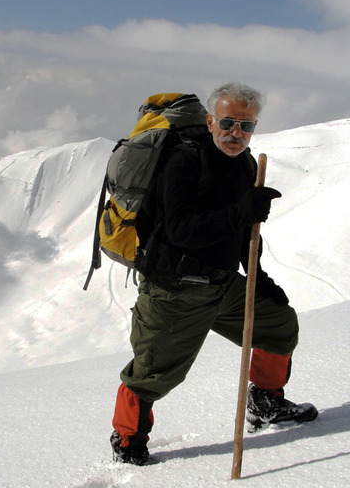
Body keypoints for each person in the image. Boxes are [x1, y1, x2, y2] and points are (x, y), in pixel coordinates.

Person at [110, 82, 318, 465]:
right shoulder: (184, 162)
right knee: (152, 375)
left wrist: (259, 276)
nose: (236, 133)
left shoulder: (247, 165)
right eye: (227, 122)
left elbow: (243, 236)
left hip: (222, 284)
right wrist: (243, 211)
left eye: (246, 125)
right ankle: (127, 439)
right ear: (209, 121)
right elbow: (181, 230)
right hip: (175, 290)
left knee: (279, 325)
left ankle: (266, 403)